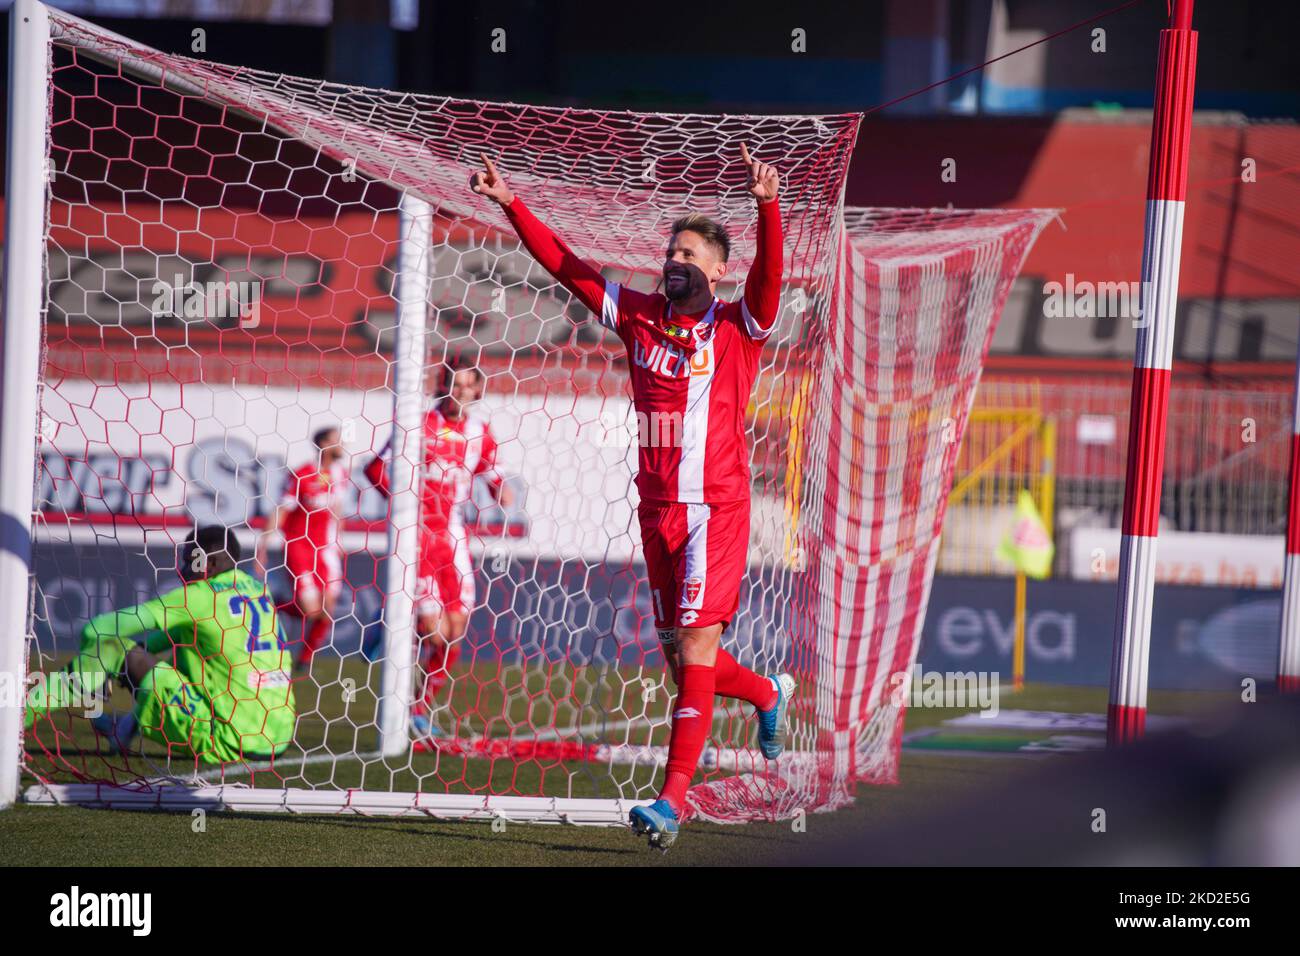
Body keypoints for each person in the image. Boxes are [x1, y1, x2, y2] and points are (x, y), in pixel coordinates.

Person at [471, 144, 795, 849]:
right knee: (685, 661)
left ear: (717, 270)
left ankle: (672, 803)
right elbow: (568, 268)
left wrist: (767, 205)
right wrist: (511, 203)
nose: (674, 259)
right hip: (657, 510)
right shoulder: (637, 316)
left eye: (689, 253)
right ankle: (766, 693)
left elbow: (772, 277)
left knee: (700, 645)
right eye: (670, 250)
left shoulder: (740, 327)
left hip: (716, 509)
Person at [25, 526, 295, 763]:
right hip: (277, 737)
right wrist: (128, 662)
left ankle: (13, 722)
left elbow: (97, 629)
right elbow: (173, 639)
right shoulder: (257, 588)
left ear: (208, 565)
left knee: (107, 649)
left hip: (227, 738)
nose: (183, 567)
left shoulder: (198, 597)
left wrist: (98, 671)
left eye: (189, 559)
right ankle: (124, 730)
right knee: (183, 659)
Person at [365, 359, 513, 737]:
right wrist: (403, 503)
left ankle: (419, 708)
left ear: (478, 391)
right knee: (434, 634)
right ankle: (396, 632)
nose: (461, 392)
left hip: (452, 536)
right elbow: (375, 469)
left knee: (456, 632)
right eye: (455, 384)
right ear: (443, 386)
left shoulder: (480, 432)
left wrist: (500, 489)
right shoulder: (418, 424)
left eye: (468, 386)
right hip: (416, 539)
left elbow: (491, 469)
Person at [258, 426, 348, 670]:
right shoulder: (302, 475)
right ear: (323, 444)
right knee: (310, 610)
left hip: (326, 550)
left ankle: (305, 659)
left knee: (328, 610)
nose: (342, 444)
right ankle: (276, 604)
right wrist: (263, 546)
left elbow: (337, 509)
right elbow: (282, 510)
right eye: (336, 440)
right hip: (299, 548)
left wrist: (338, 538)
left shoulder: (340, 474)